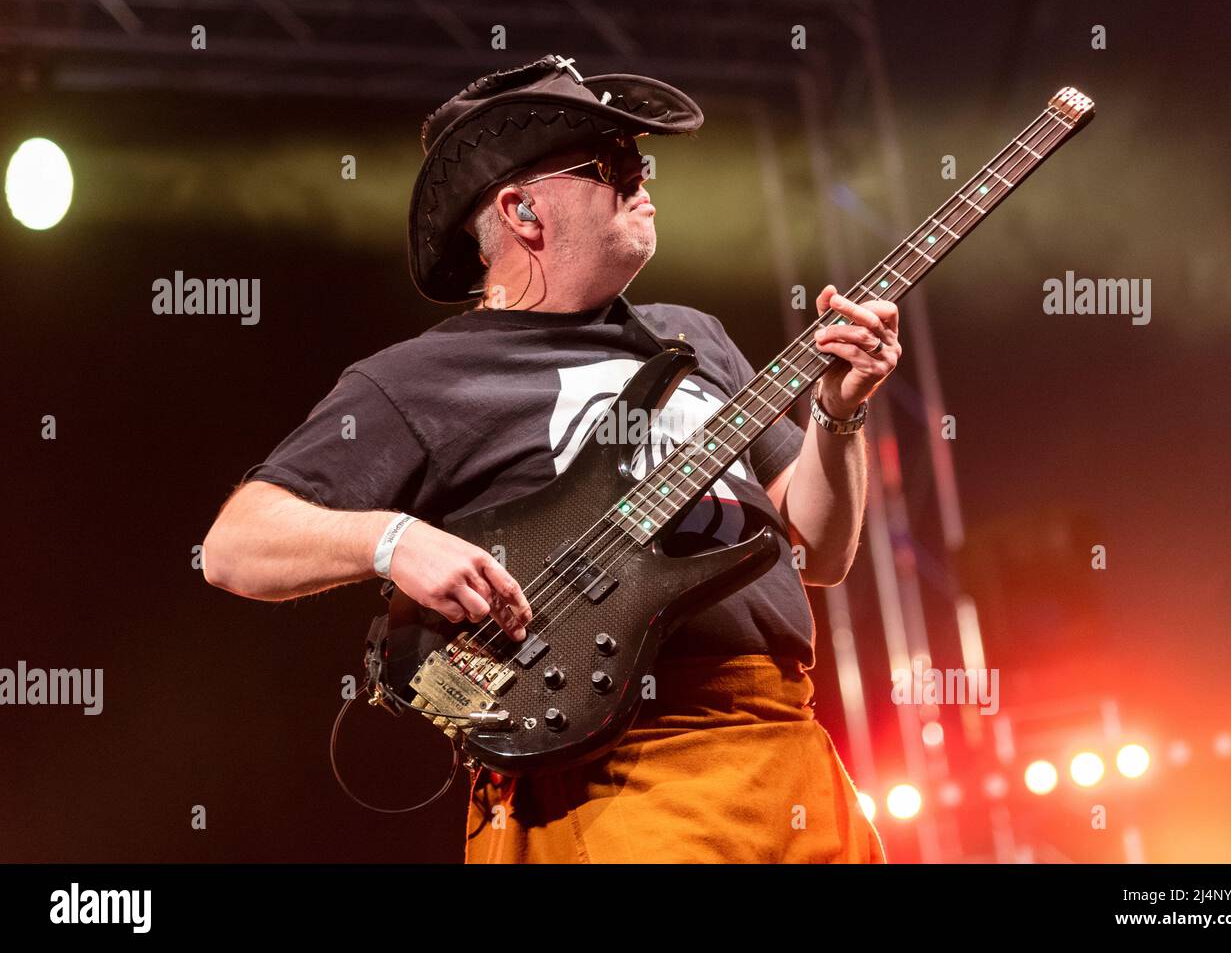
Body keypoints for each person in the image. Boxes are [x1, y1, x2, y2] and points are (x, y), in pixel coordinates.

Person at [202, 54, 898, 863]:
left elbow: (819, 549)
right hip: (616, 783)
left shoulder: (694, 335)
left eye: (639, 160)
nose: (642, 177)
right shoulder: (421, 378)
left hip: (792, 750)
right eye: (611, 165)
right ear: (523, 210)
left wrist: (838, 413)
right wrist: (393, 539)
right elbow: (233, 545)